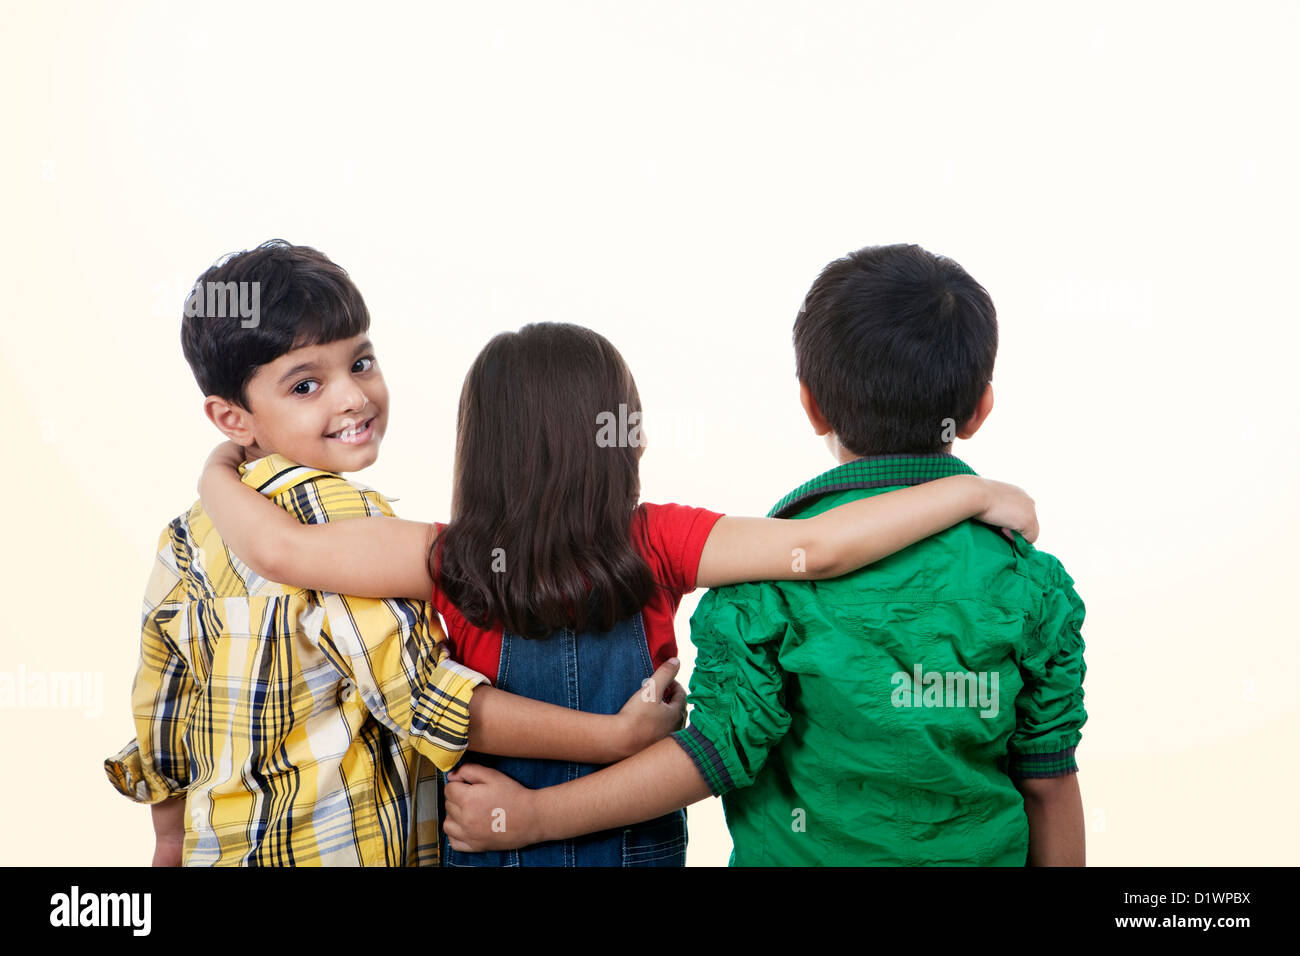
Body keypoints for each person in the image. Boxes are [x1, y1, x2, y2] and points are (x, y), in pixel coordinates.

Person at [197, 315, 1042, 866]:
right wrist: (967, 492)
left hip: (491, 843)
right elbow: (816, 549)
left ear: (480, 444)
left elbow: (279, 549)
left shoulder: (442, 558)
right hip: (632, 847)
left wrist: (217, 469)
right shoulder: (660, 540)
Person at [439, 244, 1088, 866]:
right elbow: (1049, 780)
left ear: (811, 403)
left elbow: (714, 751)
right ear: (979, 409)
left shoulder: (764, 581)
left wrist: (537, 817)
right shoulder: (1035, 586)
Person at [105, 241, 686, 867]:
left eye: (361, 363)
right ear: (232, 417)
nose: (352, 398)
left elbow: (161, 716)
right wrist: (613, 736)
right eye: (306, 385)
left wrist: (168, 843)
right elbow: (425, 699)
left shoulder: (187, 535)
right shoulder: (345, 522)